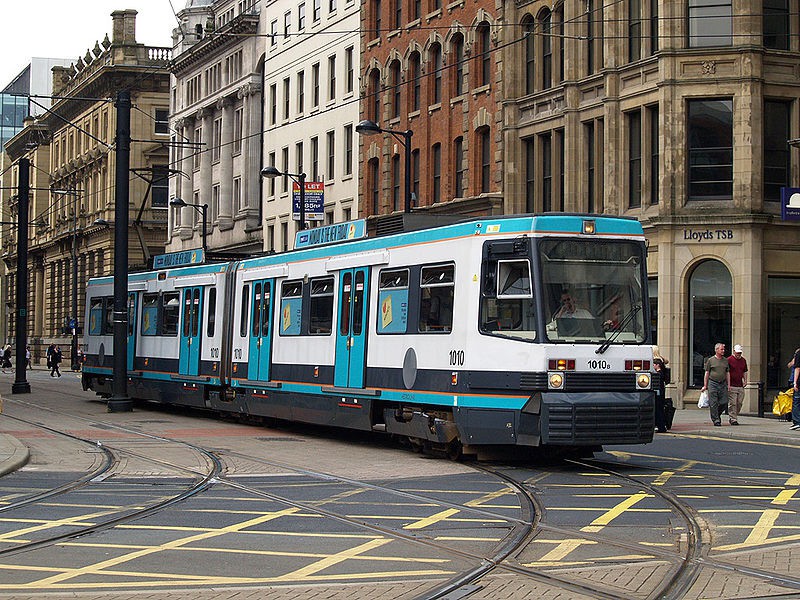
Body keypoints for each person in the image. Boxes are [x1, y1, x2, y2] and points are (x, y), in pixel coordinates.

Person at [701, 342, 730, 427]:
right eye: (721, 349)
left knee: (724, 402)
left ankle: (716, 414)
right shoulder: (711, 360)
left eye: (724, 349)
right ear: (716, 350)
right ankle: (716, 420)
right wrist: (705, 385)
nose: (723, 351)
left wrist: (729, 385)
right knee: (713, 403)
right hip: (712, 383)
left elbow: (727, 373)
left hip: (723, 383)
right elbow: (707, 373)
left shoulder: (725, 360)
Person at [727, 344, 748, 426]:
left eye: (740, 353)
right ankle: (733, 418)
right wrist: (728, 384)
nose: (739, 354)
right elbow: (727, 372)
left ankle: (735, 415)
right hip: (732, 384)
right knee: (733, 403)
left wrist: (745, 380)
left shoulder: (743, 360)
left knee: (739, 402)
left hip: (740, 385)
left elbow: (745, 371)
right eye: (737, 353)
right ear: (734, 351)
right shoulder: (729, 360)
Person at [653, 346, 670, 433]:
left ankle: (660, 426)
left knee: (658, 408)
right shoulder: (662, 360)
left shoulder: (656, 362)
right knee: (660, 408)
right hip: (661, 390)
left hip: (658, 391)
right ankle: (661, 425)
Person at [791, 347, 800, 431]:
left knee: (797, 402)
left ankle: (797, 422)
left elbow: (797, 368)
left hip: (799, 383)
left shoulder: (798, 354)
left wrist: (795, 382)